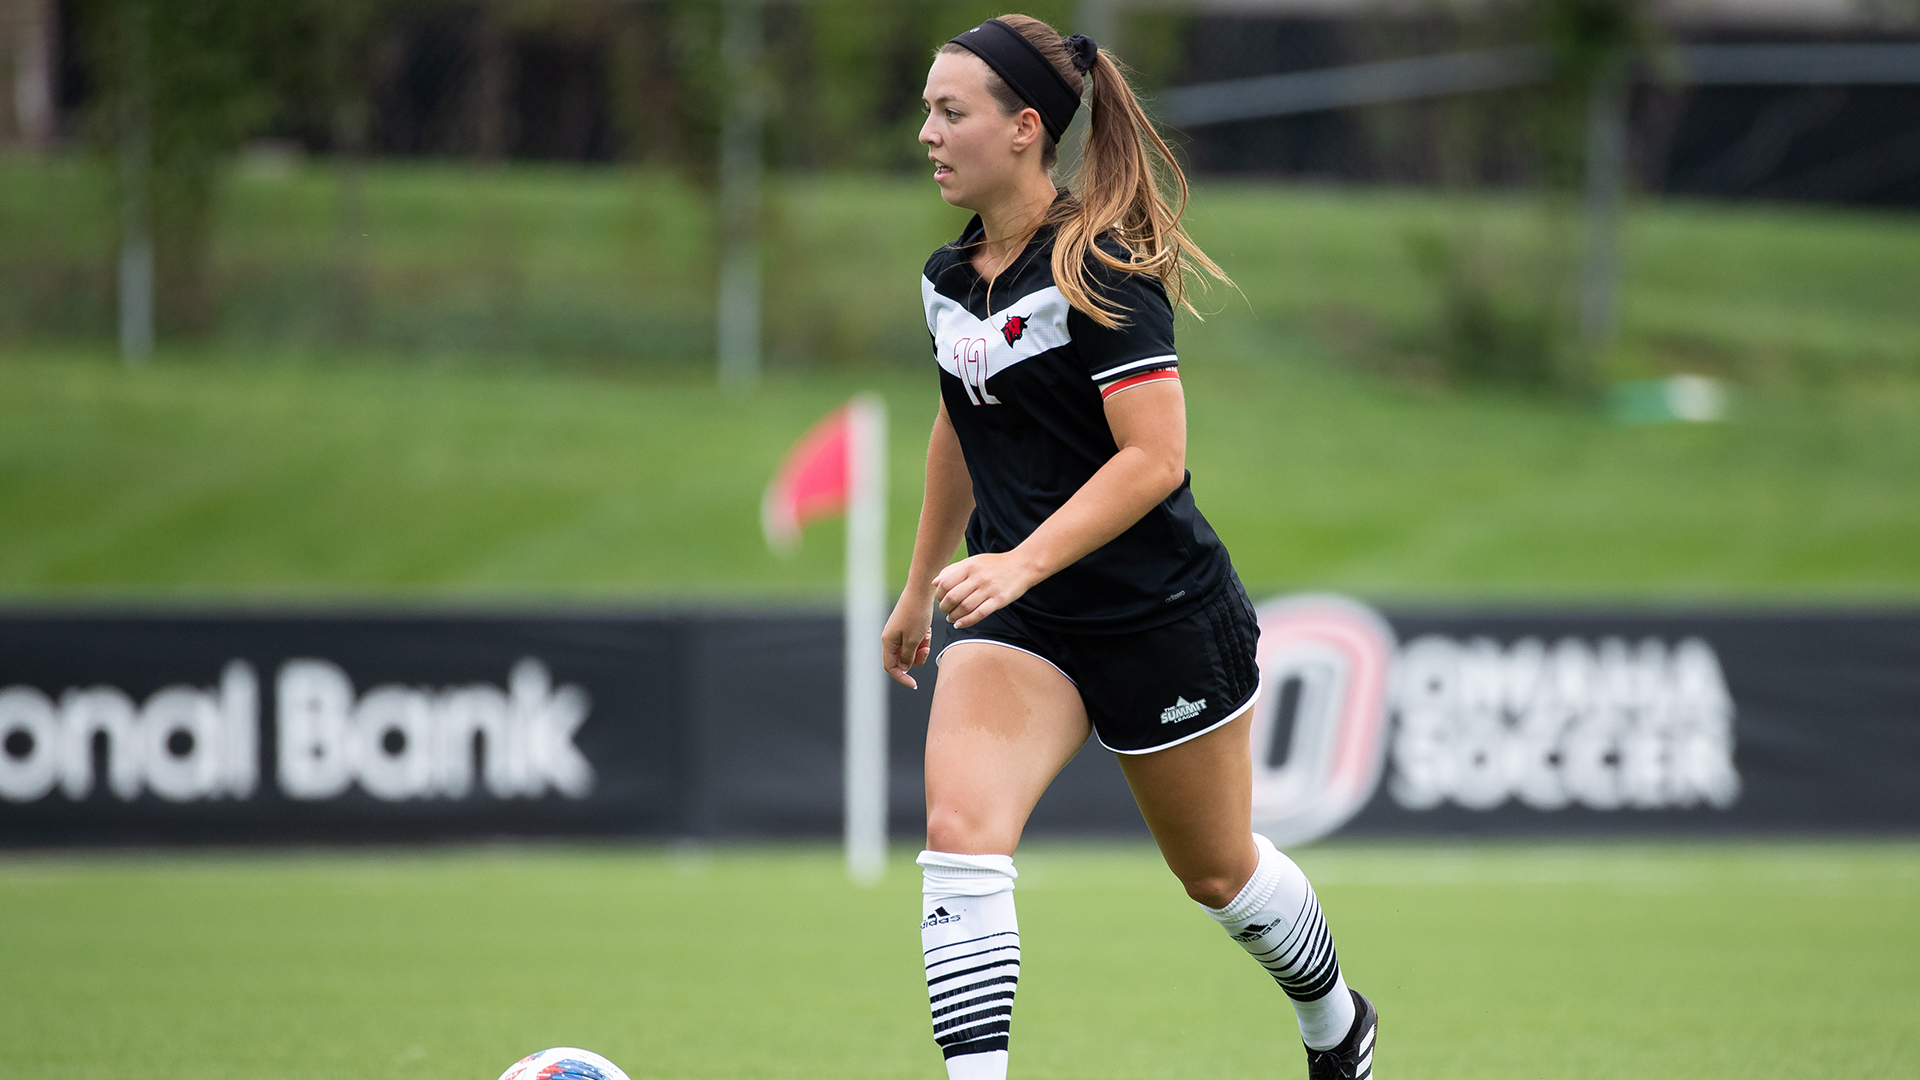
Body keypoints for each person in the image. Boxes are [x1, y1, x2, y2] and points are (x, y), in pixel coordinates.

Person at [879, 14, 1378, 1080]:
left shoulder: (1100, 266)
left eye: (947, 111)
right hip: (1025, 624)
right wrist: (922, 584)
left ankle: (1337, 1021)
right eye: (927, 108)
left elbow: (1153, 460)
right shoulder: (948, 279)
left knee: (1219, 877)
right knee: (961, 828)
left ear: (1024, 129)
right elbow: (959, 424)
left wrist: (1017, 559)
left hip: (1159, 617)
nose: (925, 132)